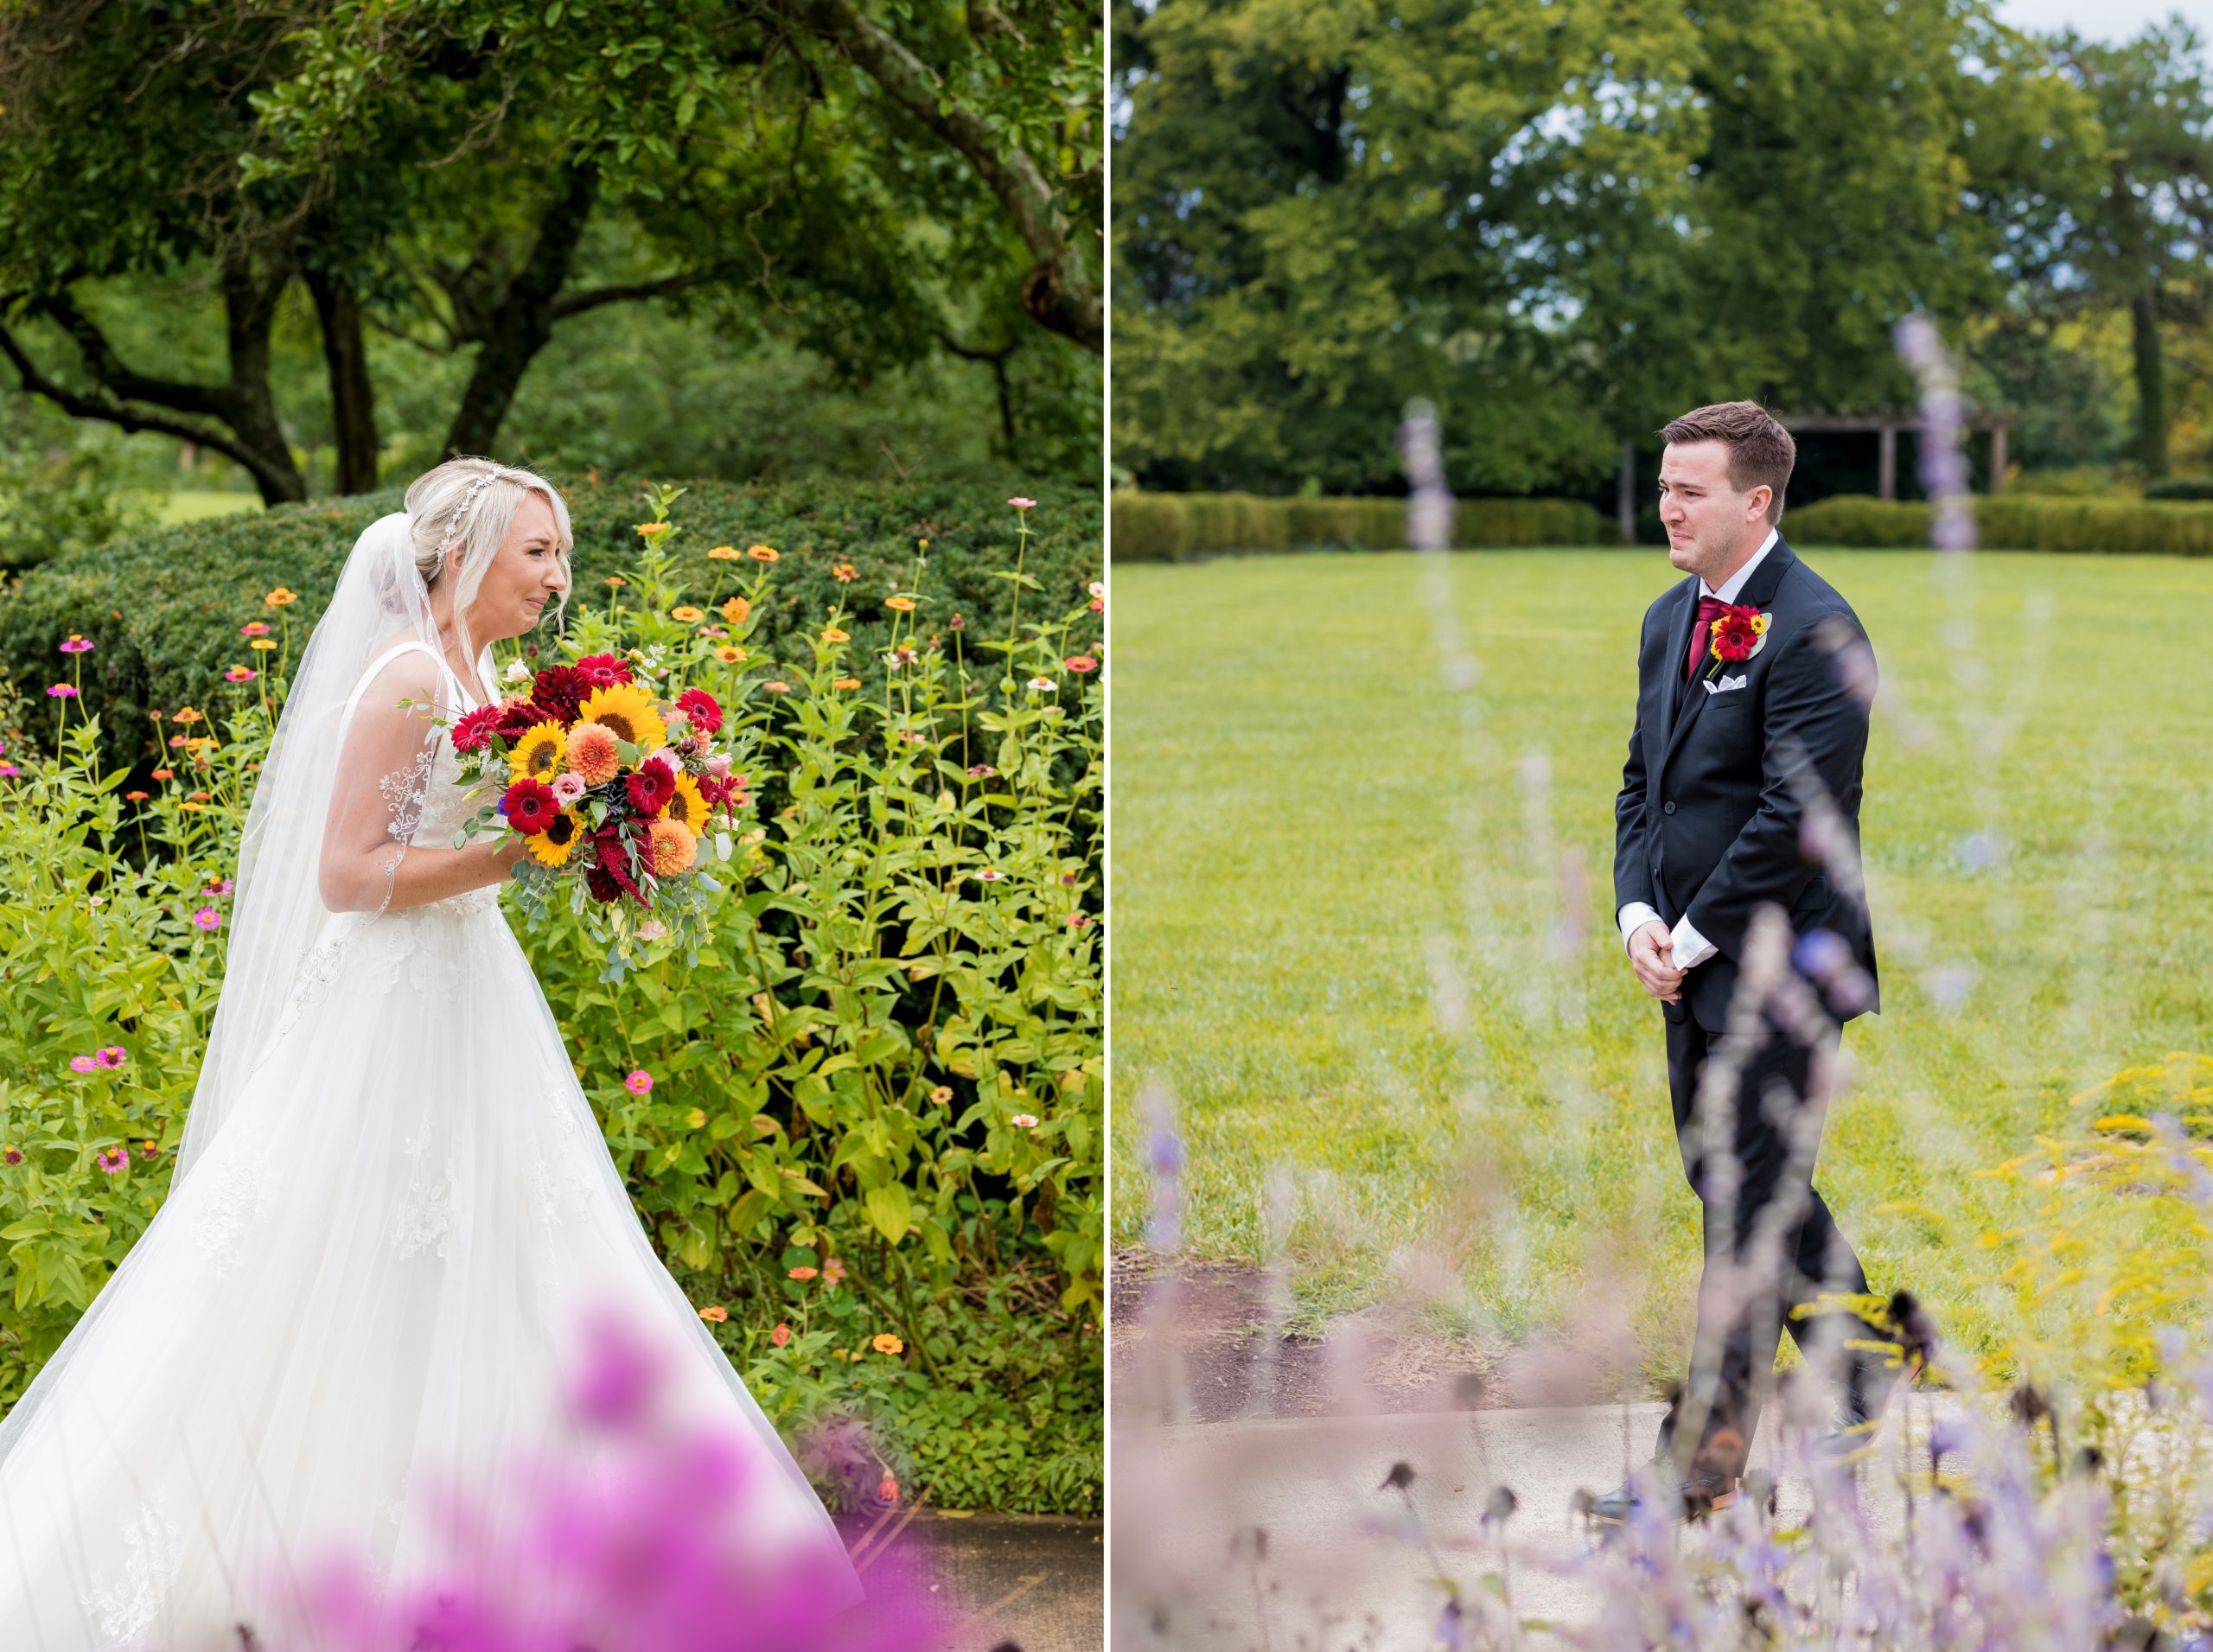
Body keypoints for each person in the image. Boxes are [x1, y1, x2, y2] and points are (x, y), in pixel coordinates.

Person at [0, 459, 860, 1647]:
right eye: (537, 555)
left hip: (471, 995)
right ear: (461, 558)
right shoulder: (406, 679)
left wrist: (591, 837)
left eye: (561, 553)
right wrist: (515, 855)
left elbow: (496, 827)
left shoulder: (493, 678)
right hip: (384, 1012)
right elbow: (348, 877)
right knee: (334, 1259)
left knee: (521, 1254)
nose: (558, 580)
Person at [1594, 401, 1905, 1523]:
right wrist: (1637, 912)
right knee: (1747, 1189)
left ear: (1757, 501)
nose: (1667, 507)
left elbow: (1795, 817)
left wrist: (1694, 933)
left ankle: (1697, 1471)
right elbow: (1644, 783)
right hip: (1687, 963)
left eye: (1692, 490)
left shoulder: (1819, 628)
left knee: (1744, 1217)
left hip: (1788, 967)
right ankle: (1867, 1366)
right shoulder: (1669, 617)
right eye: (1667, 486)